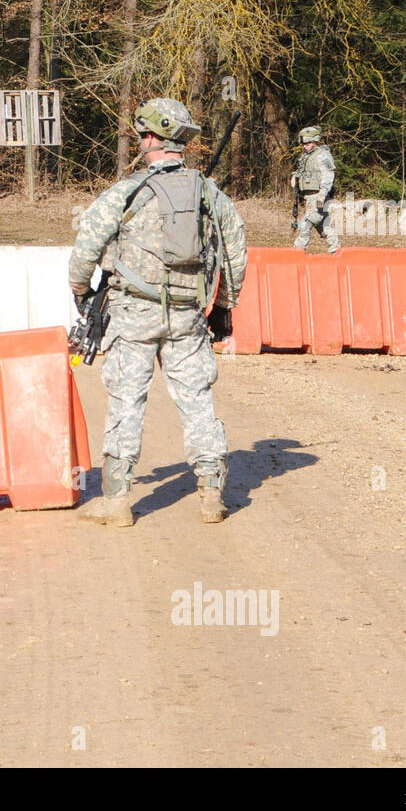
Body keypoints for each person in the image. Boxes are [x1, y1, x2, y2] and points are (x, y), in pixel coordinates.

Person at [69, 98, 247, 526]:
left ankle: (117, 502)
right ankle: (210, 493)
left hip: (133, 315)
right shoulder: (209, 192)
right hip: (188, 315)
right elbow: (236, 252)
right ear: (181, 142)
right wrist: (224, 307)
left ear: (148, 138)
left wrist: (79, 290)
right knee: (197, 399)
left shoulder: (125, 192)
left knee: (126, 401)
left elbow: (86, 248)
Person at [292, 126, 341, 254]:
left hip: (319, 197)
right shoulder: (306, 156)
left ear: (315, 141)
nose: (304, 146)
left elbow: (328, 175)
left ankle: (298, 251)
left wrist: (323, 193)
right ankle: (336, 250)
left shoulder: (323, 156)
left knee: (306, 223)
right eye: (304, 144)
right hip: (310, 197)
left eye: (307, 143)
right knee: (324, 226)